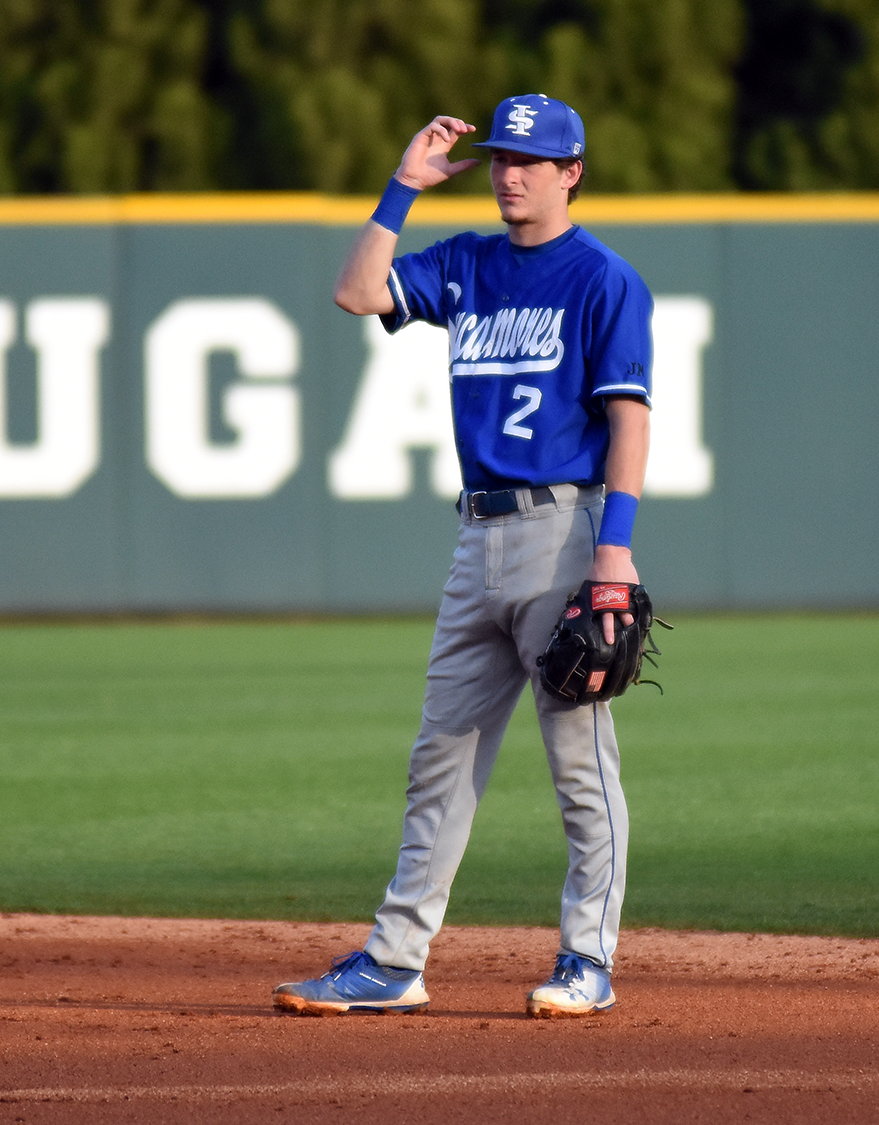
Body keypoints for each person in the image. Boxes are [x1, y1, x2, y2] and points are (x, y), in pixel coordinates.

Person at [273, 94, 653, 1019]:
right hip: (477, 534)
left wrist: (616, 551)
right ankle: (396, 960)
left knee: (579, 761)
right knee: (440, 756)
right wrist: (403, 187)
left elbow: (629, 417)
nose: (507, 172)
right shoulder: (467, 264)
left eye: (530, 160)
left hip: (566, 534)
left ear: (573, 173)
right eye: (498, 158)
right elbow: (359, 291)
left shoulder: (604, 279)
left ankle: (587, 959)